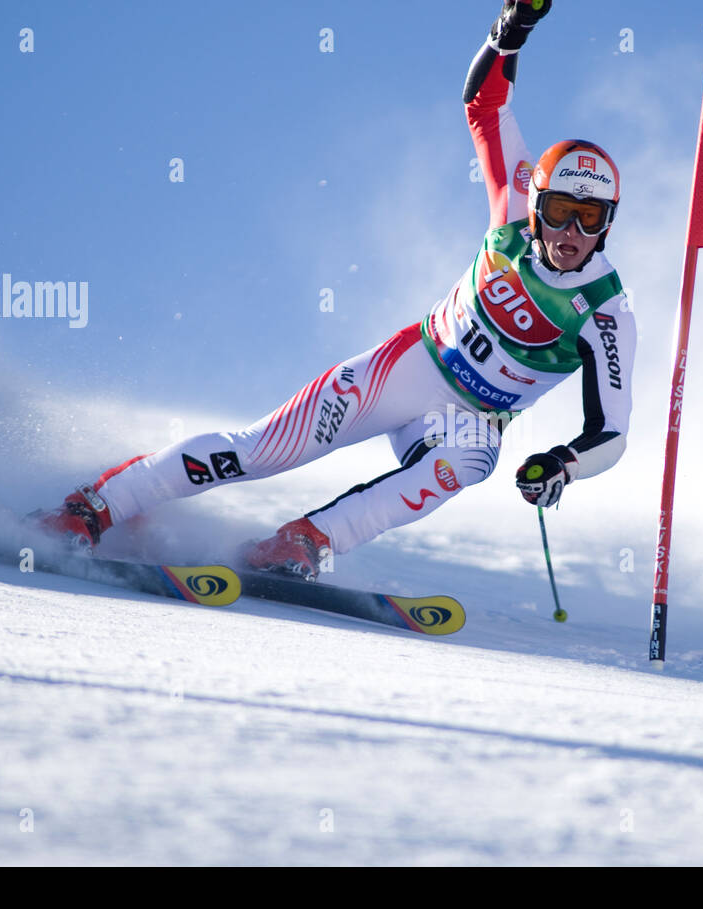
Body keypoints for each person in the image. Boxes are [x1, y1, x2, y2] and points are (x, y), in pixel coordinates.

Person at [34, 0, 637, 581]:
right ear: (537, 205)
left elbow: (611, 432)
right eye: (559, 209)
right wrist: (511, 30)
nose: (571, 232)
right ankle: (93, 507)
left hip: (470, 418)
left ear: (607, 222)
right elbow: (483, 102)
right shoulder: (511, 211)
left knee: (470, 461)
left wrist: (561, 464)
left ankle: (304, 541)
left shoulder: (605, 312)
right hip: (408, 368)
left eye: (590, 218)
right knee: (262, 452)